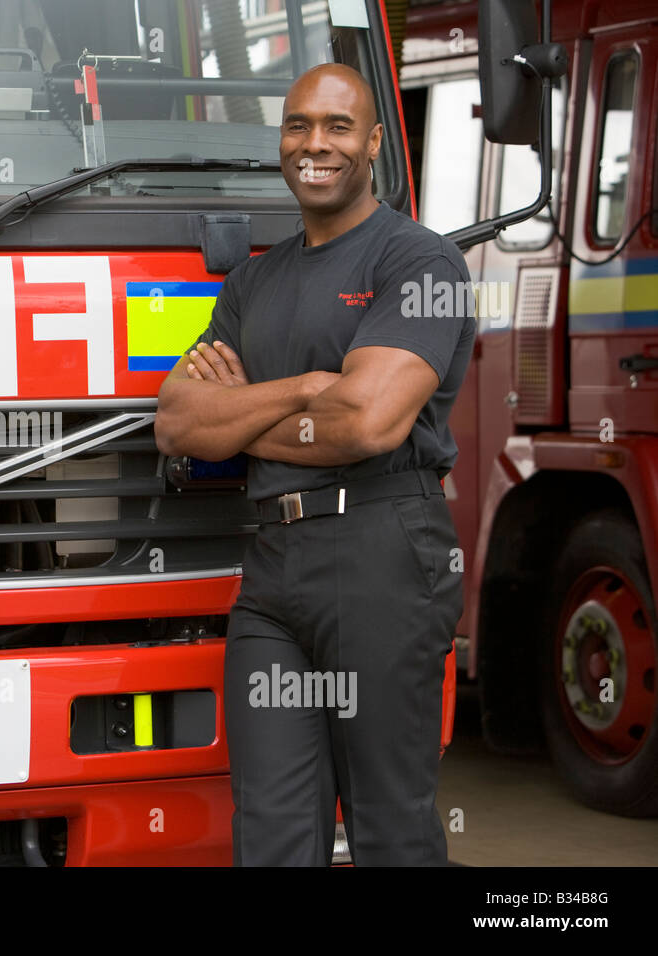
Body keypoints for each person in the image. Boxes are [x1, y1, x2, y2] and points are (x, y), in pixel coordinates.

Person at [154, 63, 475, 866]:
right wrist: (300, 390)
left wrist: (239, 419)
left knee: (389, 830)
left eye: (337, 126)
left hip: (382, 554)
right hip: (270, 576)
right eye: (298, 126)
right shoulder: (253, 280)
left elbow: (366, 423)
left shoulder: (420, 265)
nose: (315, 144)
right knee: (270, 833)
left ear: (373, 143)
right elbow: (178, 422)